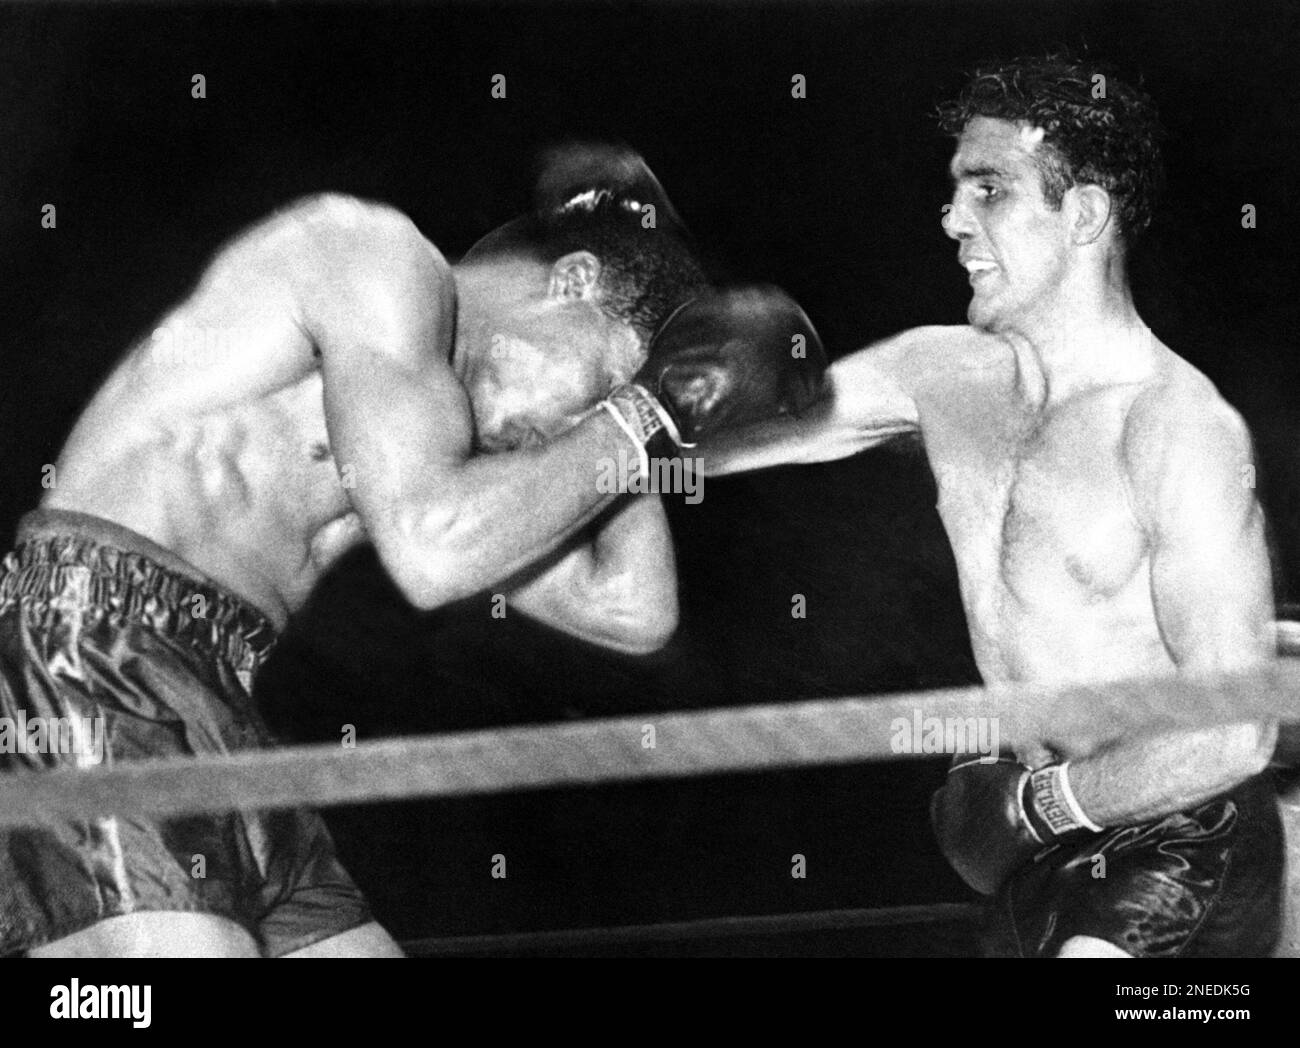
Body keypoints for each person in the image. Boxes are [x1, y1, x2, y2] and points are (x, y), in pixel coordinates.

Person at [0, 144, 825, 957]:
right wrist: (645, 411)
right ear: (571, 281)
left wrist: (650, 406)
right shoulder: (373, 258)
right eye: (598, 391)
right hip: (91, 644)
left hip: (223, 698)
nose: (583, 432)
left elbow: (631, 609)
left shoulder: (445, 447)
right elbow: (433, 555)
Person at [702, 56, 1283, 957]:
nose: (952, 221)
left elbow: (1238, 732)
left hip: (1175, 841)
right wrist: (614, 431)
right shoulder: (937, 373)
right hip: (1041, 851)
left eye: (989, 192)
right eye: (953, 193)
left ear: (1084, 215)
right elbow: (731, 446)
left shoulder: (1175, 425)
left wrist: (1040, 806)